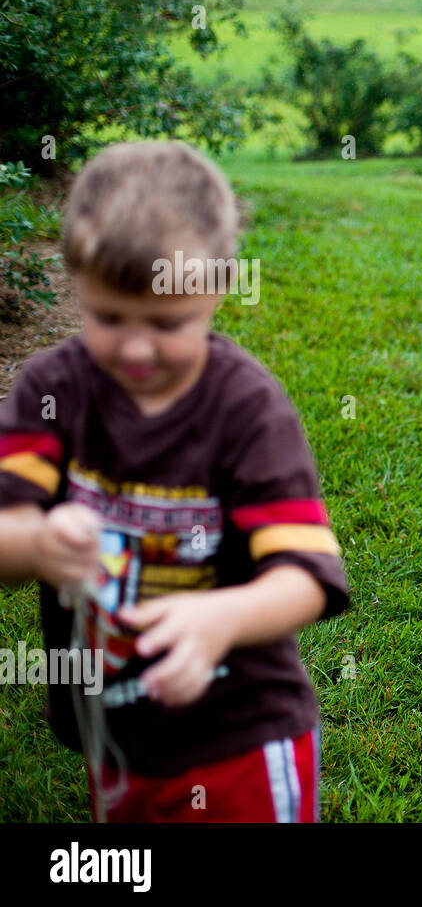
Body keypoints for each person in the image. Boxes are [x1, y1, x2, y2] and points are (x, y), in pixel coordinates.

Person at [0, 141, 350, 822]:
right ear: (77, 282)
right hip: (115, 728)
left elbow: (308, 576)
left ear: (218, 288)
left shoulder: (246, 408)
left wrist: (222, 618)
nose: (136, 348)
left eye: (167, 323)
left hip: (242, 732)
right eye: (108, 317)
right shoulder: (53, 390)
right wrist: (38, 540)